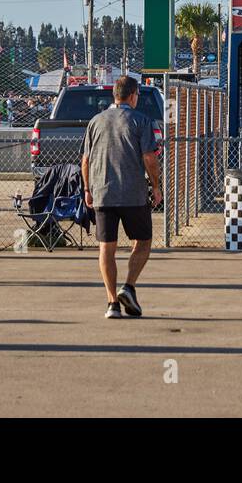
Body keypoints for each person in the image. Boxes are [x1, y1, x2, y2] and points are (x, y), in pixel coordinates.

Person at [82, 75, 161, 319]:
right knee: (144, 241)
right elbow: (149, 157)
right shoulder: (141, 120)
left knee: (106, 248)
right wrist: (156, 186)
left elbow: (85, 160)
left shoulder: (95, 121)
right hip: (133, 193)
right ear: (133, 95)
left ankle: (111, 303)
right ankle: (128, 285)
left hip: (103, 193)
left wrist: (87, 189)